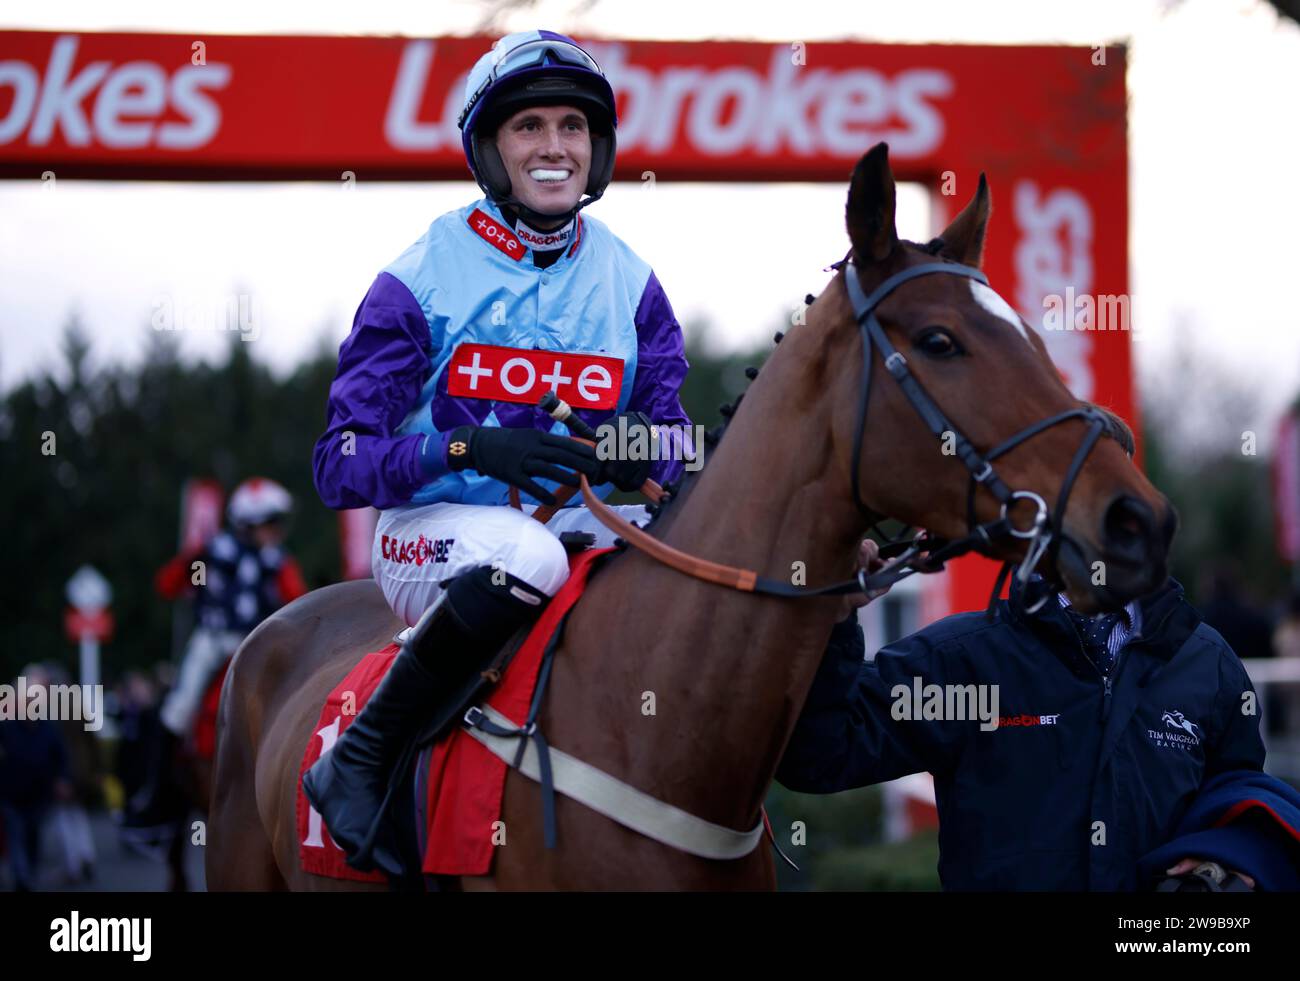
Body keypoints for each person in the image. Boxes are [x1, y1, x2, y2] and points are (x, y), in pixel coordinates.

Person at [302, 30, 693, 871]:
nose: (554, 147)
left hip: (579, 526)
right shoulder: (418, 279)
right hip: (432, 536)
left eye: (572, 127)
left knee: (695, 560)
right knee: (529, 551)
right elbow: (338, 462)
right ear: (490, 147)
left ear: (598, 149)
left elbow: (676, 438)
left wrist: (636, 448)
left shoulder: (636, 283)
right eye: (529, 127)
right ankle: (362, 757)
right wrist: (466, 444)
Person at [776, 412, 1283, 890]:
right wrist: (835, 620)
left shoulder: (1207, 662)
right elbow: (820, 754)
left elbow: (1237, 792)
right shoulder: (964, 662)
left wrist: (1226, 855)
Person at [126, 477, 306, 830]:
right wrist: (193, 560)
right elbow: (167, 584)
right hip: (213, 640)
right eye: (271, 523)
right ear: (248, 523)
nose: (277, 531)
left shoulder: (277, 560)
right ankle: (155, 796)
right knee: (178, 710)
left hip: (259, 640)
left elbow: (298, 600)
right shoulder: (212, 550)